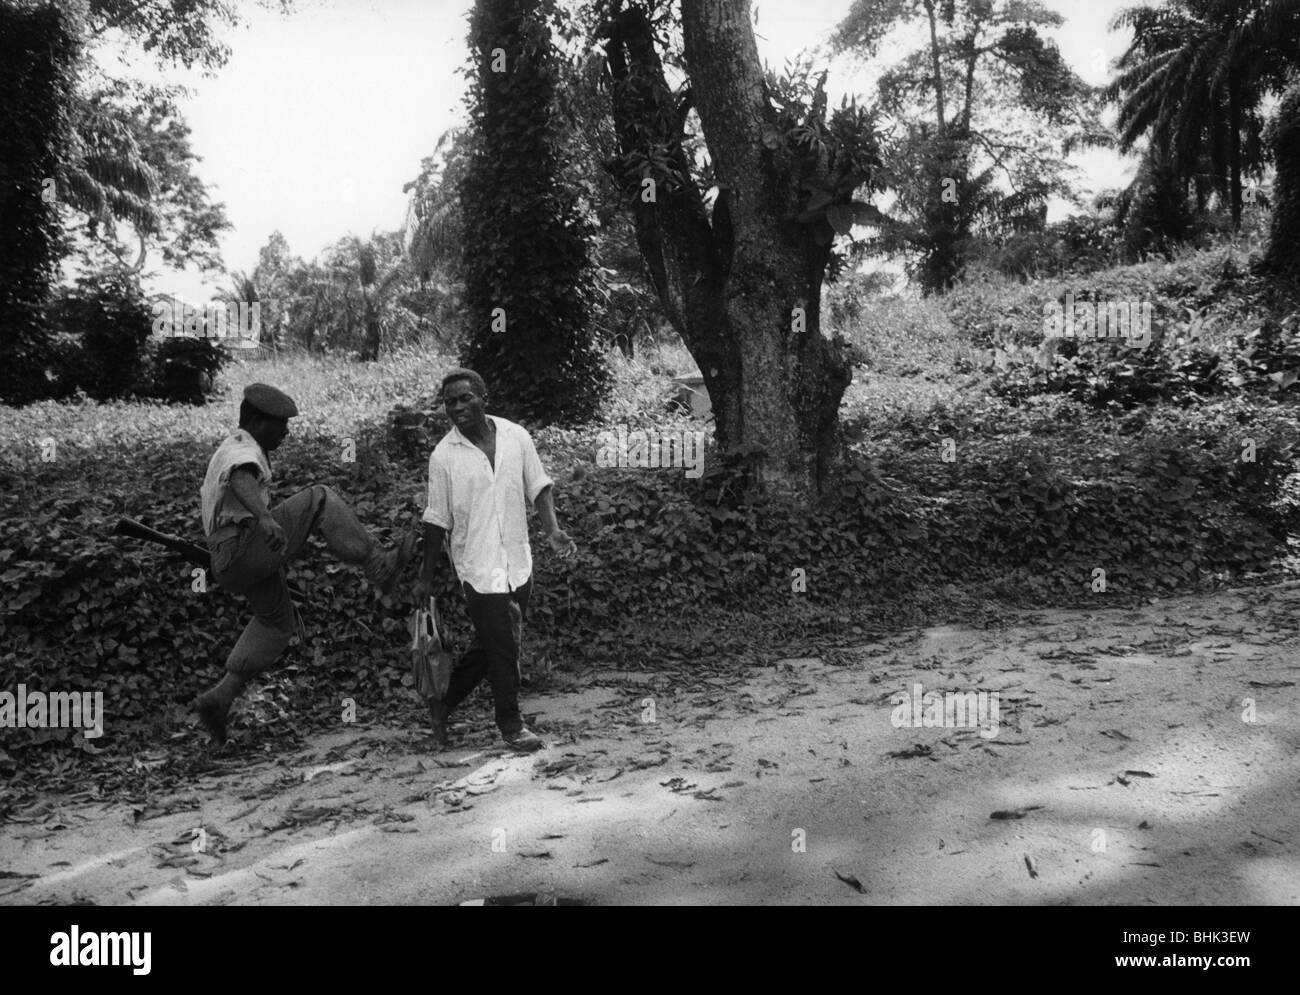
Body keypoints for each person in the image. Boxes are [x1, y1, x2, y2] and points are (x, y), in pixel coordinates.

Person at [194, 383, 416, 746]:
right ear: (254, 420)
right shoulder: (241, 448)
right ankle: (378, 565)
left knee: (276, 624)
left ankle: (218, 700)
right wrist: (265, 518)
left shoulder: (240, 447)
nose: (285, 432)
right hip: (238, 552)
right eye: (279, 424)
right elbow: (240, 477)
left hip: (235, 555)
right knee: (320, 498)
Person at [413, 369, 576, 752]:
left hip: (518, 559)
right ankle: (511, 724)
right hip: (477, 565)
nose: (456, 407)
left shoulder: (516, 436)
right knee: (503, 646)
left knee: (491, 645)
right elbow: (437, 520)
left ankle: (443, 704)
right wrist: (425, 575)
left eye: (464, 398)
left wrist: (552, 531)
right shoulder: (444, 456)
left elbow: (538, 485)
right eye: (449, 402)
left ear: (483, 396)